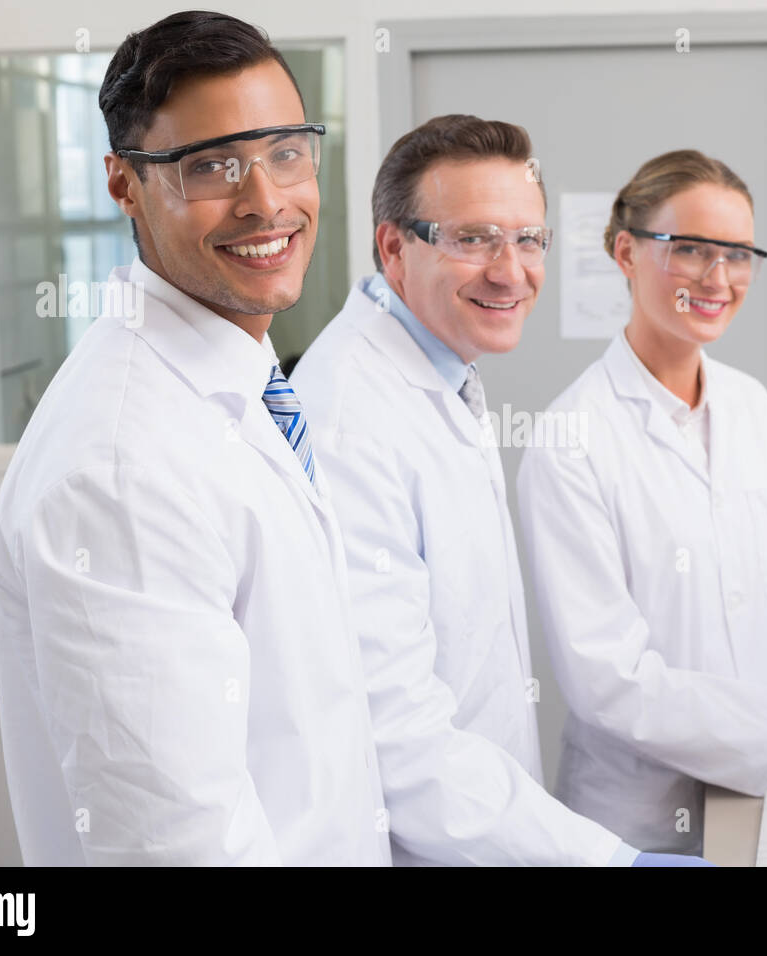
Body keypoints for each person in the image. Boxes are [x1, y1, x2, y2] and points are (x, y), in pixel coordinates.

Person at [0, 11, 389, 865]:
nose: (266, 201)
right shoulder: (119, 468)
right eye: (210, 166)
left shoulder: (247, 382)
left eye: (286, 152)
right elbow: (177, 847)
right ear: (124, 184)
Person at [289, 116, 707, 866]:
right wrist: (609, 862)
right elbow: (397, 738)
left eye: (528, 239)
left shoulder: (442, 368)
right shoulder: (350, 420)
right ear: (394, 247)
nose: (511, 272)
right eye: (475, 238)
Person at [516, 150, 767, 855]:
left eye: (737, 254)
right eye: (691, 249)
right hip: (641, 822)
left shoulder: (750, 406)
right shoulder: (570, 439)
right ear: (626, 252)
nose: (719, 278)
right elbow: (609, 681)